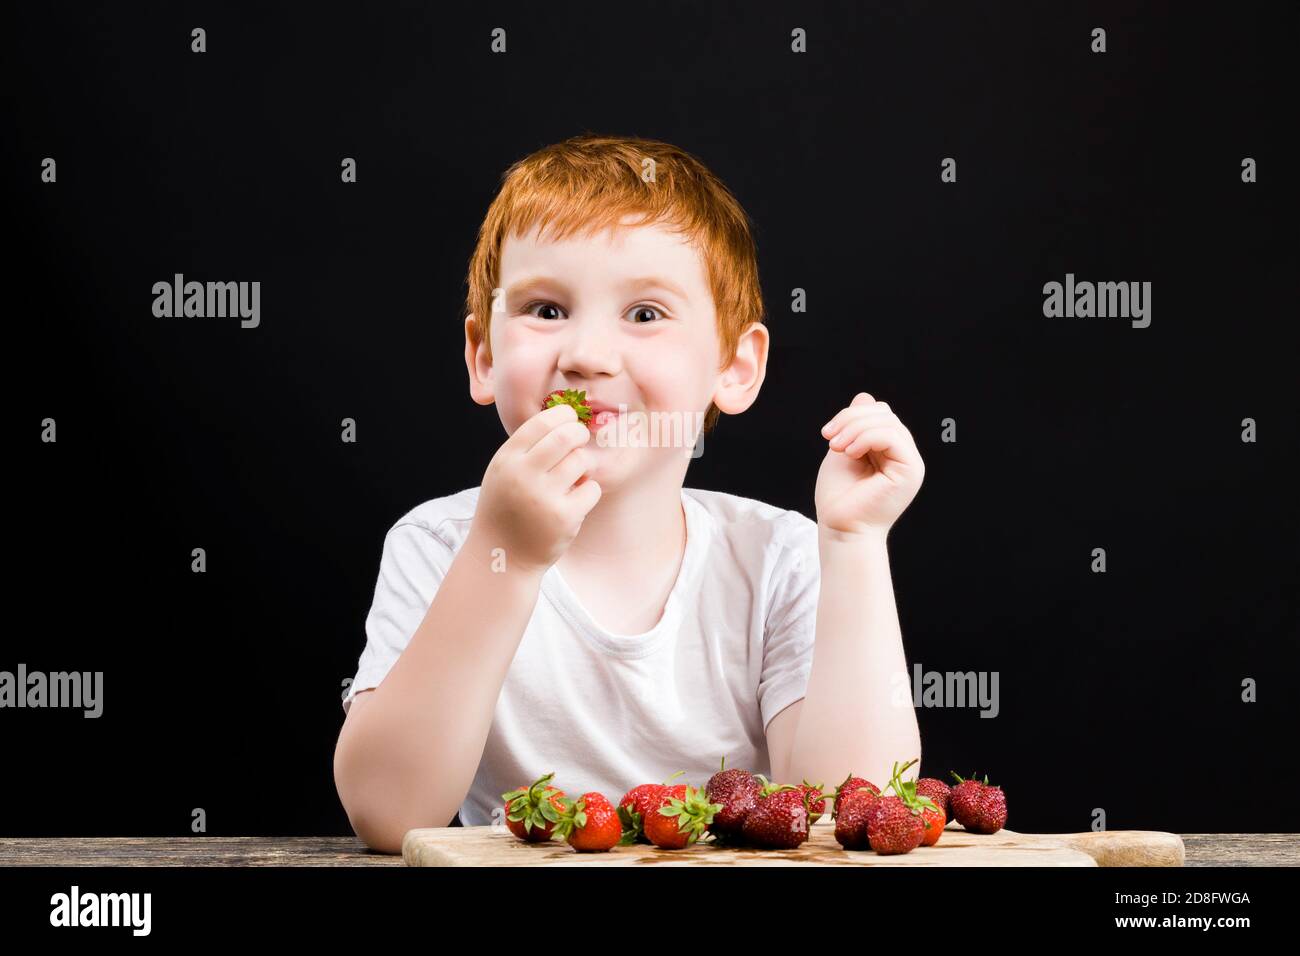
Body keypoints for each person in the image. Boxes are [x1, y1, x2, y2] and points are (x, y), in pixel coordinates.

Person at [333, 133, 926, 853]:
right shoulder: (439, 546)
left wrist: (854, 544)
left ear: (735, 368)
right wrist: (504, 556)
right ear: (484, 356)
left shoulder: (780, 557)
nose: (584, 355)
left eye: (645, 314)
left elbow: (847, 811)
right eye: (546, 310)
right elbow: (388, 812)